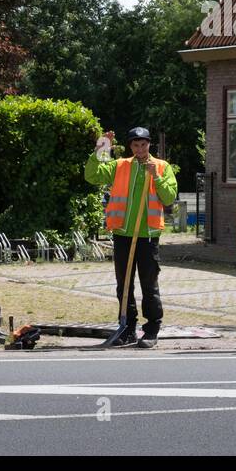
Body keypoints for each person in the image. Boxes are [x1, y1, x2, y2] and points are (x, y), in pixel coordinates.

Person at [84, 127, 177, 348]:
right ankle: (127, 327)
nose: (140, 149)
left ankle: (152, 329)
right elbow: (92, 175)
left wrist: (156, 177)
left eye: (143, 144)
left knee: (149, 284)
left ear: (149, 144)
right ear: (130, 146)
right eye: (135, 145)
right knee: (123, 285)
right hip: (123, 234)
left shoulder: (162, 167)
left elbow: (169, 197)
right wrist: (101, 148)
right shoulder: (121, 166)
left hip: (147, 236)